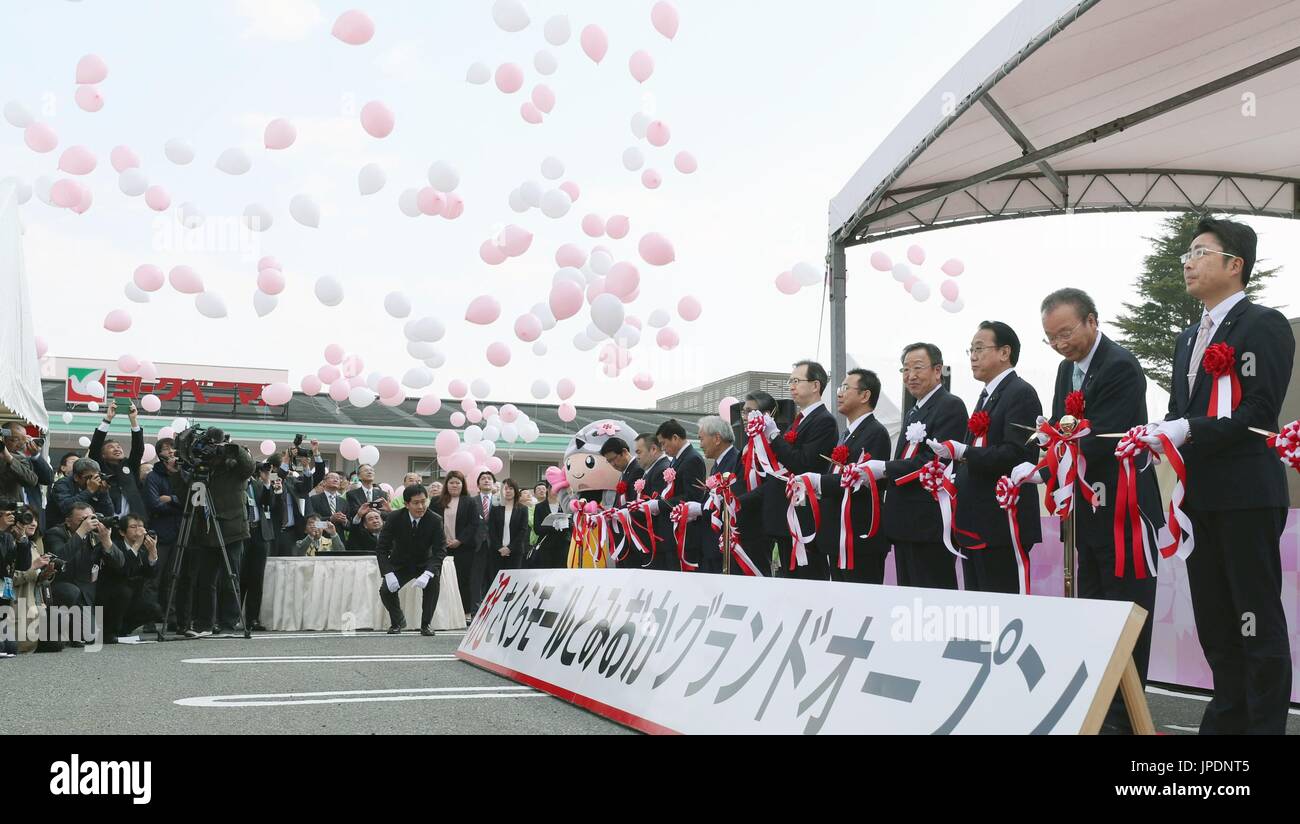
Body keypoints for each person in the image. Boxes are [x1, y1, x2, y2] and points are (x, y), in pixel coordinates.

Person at [1140, 216, 1294, 735]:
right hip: (1198, 498)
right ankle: (1227, 718)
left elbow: (1257, 410)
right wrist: (1160, 431)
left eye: (1201, 252)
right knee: (1215, 619)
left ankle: (1264, 726)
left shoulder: (1262, 325)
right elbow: (1183, 409)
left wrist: (1187, 429)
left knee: (1255, 616)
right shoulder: (1188, 338)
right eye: (1187, 252)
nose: (1188, 261)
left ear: (1235, 265)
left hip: (1246, 495)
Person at [1029, 287, 1166, 730]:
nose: (1060, 343)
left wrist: (1060, 443)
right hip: (1086, 514)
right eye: (1051, 337)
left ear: (1092, 321)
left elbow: (1108, 436)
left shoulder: (1120, 366)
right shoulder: (1063, 372)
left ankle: (1126, 718)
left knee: (1126, 615)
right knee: (1091, 612)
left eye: (1066, 332)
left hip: (1124, 511)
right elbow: (1061, 428)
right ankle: (1097, 707)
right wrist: (1048, 450)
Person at [929, 322, 1043, 594]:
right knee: (980, 610)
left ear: (1005, 352)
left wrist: (964, 452)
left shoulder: (1020, 393)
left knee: (1002, 607)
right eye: (971, 350)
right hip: (977, 520)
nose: (973, 356)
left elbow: (1018, 453)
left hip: (1003, 523)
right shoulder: (986, 395)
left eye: (980, 348)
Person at [880, 343, 968, 590]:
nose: (911, 376)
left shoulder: (950, 405)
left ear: (937, 370)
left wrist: (885, 468)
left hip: (928, 521)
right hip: (905, 521)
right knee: (909, 599)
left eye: (918, 368)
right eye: (905, 369)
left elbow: (934, 462)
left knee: (932, 595)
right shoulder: (912, 412)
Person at [799, 369, 893, 584]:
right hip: (838, 535)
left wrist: (817, 481)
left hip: (859, 537)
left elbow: (859, 480)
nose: (839, 394)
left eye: (845, 388)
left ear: (865, 396)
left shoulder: (875, 432)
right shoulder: (847, 434)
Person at [758, 360, 837, 580]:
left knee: (808, 578)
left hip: (804, 516)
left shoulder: (824, 421)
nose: (791, 386)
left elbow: (803, 462)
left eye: (796, 381)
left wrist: (774, 436)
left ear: (815, 385)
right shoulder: (799, 419)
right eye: (790, 381)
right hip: (786, 514)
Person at [183, 427, 255, 638]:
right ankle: (204, 623)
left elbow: (249, 466)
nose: (211, 452)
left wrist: (231, 448)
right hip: (206, 528)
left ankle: (228, 623)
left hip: (232, 529)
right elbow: (191, 497)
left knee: (230, 577)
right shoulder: (201, 470)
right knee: (205, 580)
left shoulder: (235, 467)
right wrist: (180, 473)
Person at [43, 502, 124, 645]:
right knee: (71, 591)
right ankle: (63, 629)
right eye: (82, 520)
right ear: (68, 521)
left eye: (90, 518)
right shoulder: (55, 534)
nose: (88, 523)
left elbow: (119, 563)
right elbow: (61, 557)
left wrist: (106, 540)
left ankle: (79, 630)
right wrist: (81, 532)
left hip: (85, 594)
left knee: (90, 635)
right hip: (61, 590)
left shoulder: (95, 536)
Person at [376, 484, 445, 636]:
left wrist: (428, 573)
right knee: (386, 590)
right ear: (406, 504)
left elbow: (440, 551)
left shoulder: (435, 520)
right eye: (416, 503)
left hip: (424, 563)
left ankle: (426, 624)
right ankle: (397, 622)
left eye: (423, 501)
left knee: (433, 582)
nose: (421, 506)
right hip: (400, 563)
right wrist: (388, 573)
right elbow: (381, 549)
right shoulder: (394, 518)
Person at [97, 514, 162, 643]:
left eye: (141, 527)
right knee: (124, 592)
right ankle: (109, 632)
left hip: (132, 597)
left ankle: (122, 630)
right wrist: (137, 545)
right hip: (110, 597)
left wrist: (153, 552)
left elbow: (151, 575)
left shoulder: (143, 550)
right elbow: (123, 569)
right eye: (133, 527)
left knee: (154, 608)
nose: (139, 530)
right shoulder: (114, 546)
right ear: (122, 532)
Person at [144, 438, 186, 628]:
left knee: (173, 578)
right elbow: (154, 504)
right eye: (167, 449)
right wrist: (177, 505)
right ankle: (149, 618)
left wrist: (172, 499)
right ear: (159, 454)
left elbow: (188, 502)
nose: (171, 453)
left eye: (173, 449)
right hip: (160, 533)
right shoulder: (154, 476)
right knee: (154, 578)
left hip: (179, 533)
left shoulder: (183, 475)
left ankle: (171, 617)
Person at [89, 400, 148, 524]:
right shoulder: (100, 466)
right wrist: (108, 418)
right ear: (103, 455)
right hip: (107, 520)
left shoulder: (129, 465)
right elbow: (94, 447)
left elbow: (138, 449)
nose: (117, 449)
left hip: (134, 522)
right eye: (111, 447)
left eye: (118, 446)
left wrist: (133, 420)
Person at [434, 471, 480, 614]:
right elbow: (432, 523)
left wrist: (459, 540)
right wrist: (443, 540)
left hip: (463, 548)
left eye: (457, 482)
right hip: (441, 547)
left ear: (462, 485)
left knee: (463, 580)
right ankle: (441, 612)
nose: (454, 485)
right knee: (441, 580)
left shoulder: (470, 501)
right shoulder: (436, 501)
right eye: (451, 482)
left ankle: (464, 611)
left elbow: (473, 524)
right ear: (446, 484)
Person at [270, 440, 326, 556]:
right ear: (274, 468)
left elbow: (313, 480)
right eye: (284, 465)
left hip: (294, 532)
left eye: (289, 465)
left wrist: (309, 462)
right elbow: (280, 477)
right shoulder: (268, 483)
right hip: (274, 532)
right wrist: (286, 458)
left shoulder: (293, 481)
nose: (288, 468)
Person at [48, 457, 112, 524]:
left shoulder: (97, 485)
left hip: (89, 528)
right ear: (76, 477)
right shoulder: (62, 484)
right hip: (60, 528)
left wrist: (104, 493)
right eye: (89, 477)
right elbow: (66, 508)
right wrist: (89, 491)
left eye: (96, 477)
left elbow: (108, 514)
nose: (93, 481)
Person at [488, 479, 528, 578]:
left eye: (511, 488)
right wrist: (499, 548)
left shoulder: (522, 509)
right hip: (497, 551)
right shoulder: (495, 509)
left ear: (515, 491)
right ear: (502, 491)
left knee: (513, 580)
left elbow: (523, 530)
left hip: (515, 551)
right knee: (497, 580)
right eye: (505, 488)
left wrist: (510, 548)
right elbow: (491, 530)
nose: (508, 491)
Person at [470, 470, 496, 609]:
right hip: (477, 544)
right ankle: (475, 608)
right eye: (483, 478)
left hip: (495, 545)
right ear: (478, 484)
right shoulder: (472, 501)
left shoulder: (499, 501)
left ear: (493, 483)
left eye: (489, 478)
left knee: (493, 576)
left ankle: (492, 607)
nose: (486, 480)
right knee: (476, 578)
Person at [0, 422, 40, 508]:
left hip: (9, 508)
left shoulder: (19, 458)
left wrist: (10, 459)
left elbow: (32, 480)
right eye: (14, 440)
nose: (19, 444)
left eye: (22, 440)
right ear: (3, 438)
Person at [308, 472, 352, 538]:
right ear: (324, 482)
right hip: (321, 539)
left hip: (339, 540)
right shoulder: (314, 499)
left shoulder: (344, 502)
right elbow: (313, 524)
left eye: (338, 479)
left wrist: (345, 521)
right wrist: (330, 519)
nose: (336, 480)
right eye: (332, 478)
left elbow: (349, 526)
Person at [346, 463, 391, 528]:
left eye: (371, 470)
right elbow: (352, 514)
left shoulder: (383, 494)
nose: (369, 472)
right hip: (359, 531)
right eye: (366, 470)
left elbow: (387, 515)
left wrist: (378, 512)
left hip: (378, 532)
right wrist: (361, 513)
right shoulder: (351, 494)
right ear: (358, 476)